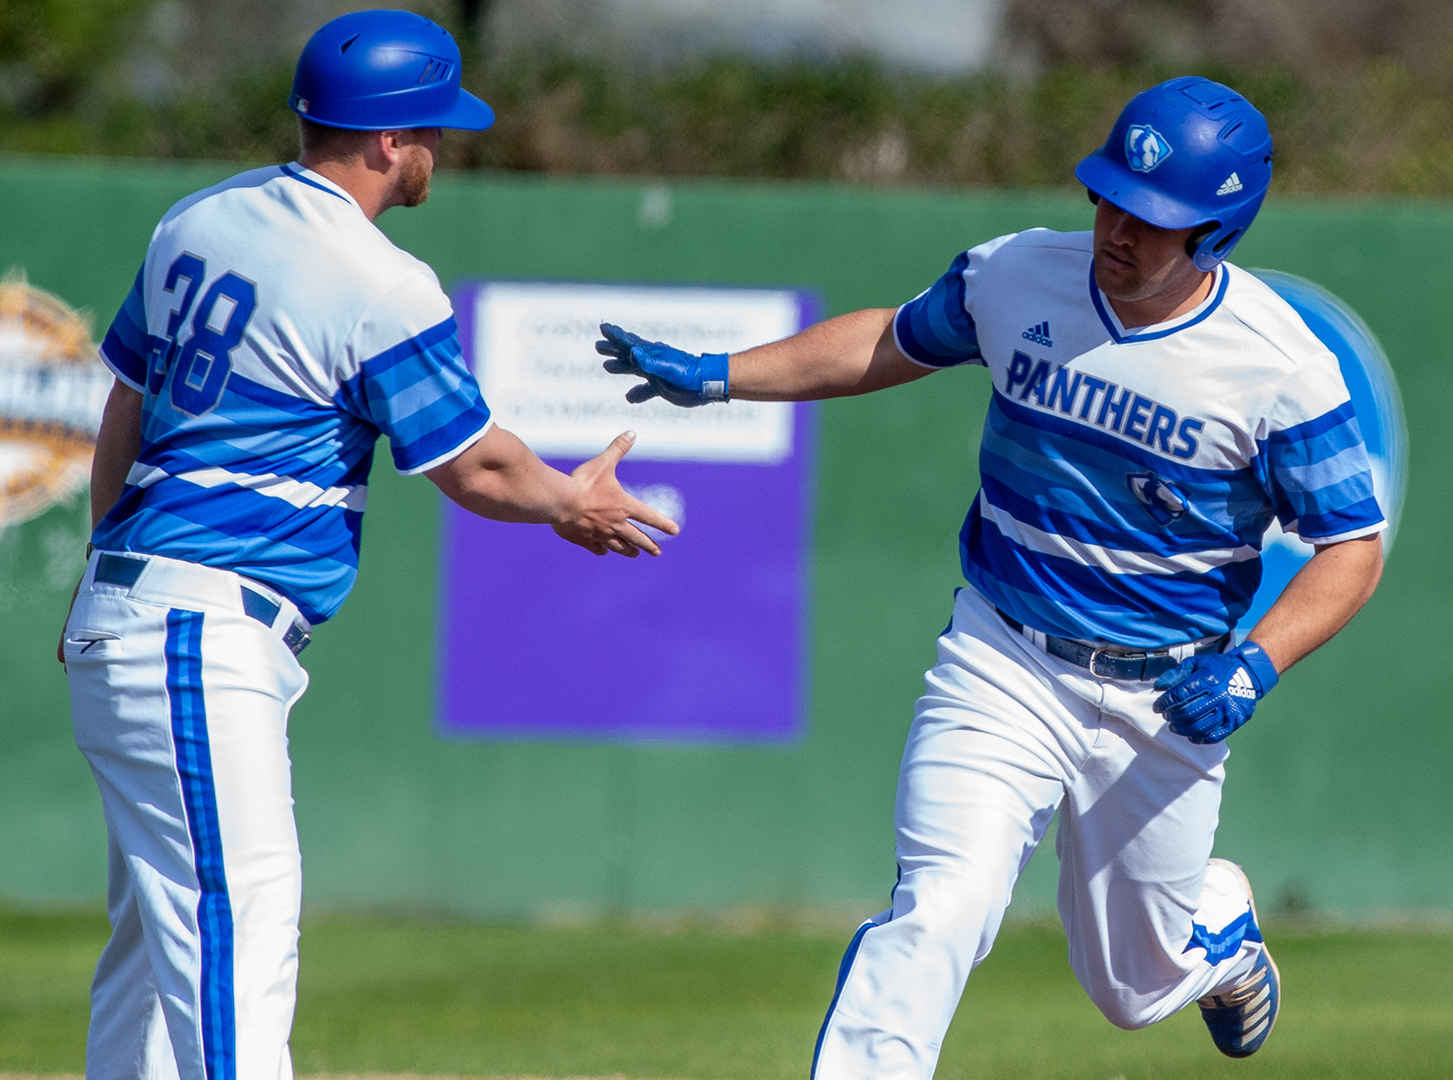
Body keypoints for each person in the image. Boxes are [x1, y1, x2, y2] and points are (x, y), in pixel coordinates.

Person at [600, 76, 1385, 1077]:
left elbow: (1351, 547)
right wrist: (719, 376)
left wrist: (1256, 665)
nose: (1119, 227)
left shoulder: (1281, 367)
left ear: (1216, 231)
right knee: (941, 906)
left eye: (1154, 218)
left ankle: (1219, 932)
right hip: (1005, 658)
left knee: (1134, 990)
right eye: (1109, 197)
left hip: (1166, 699)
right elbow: (890, 340)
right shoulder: (1018, 277)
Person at [60, 11, 674, 1080]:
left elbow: (127, 402)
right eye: (435, 125)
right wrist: (572, 500)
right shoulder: (376, 277)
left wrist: (113, 571)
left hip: (131, 611)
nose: (443, 147)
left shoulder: (200, 217)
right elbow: (474, 465)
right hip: (199, 632)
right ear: (391, 141)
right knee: (239, 943)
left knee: (158, 964)